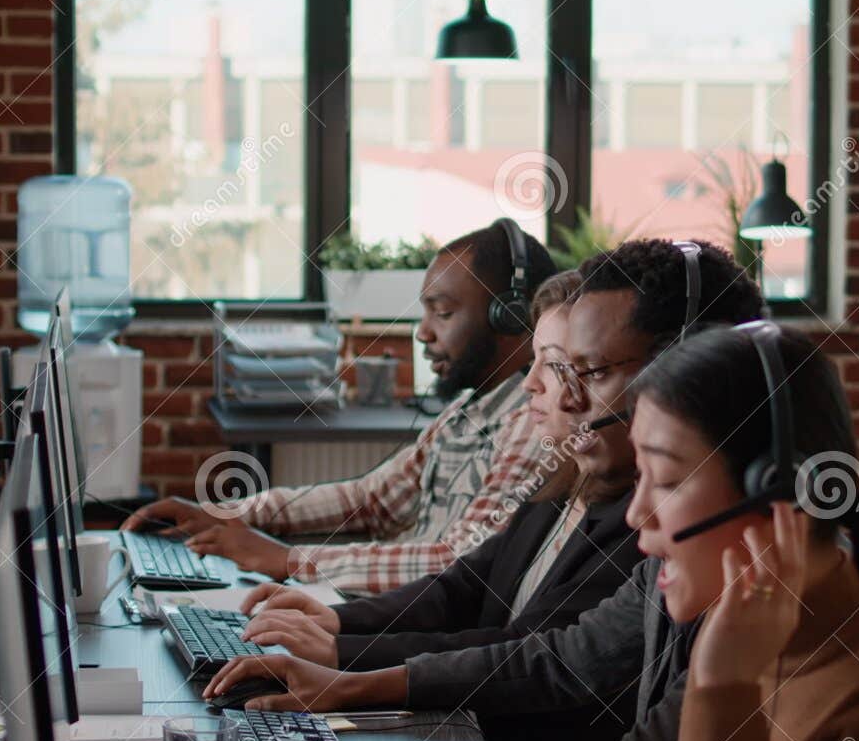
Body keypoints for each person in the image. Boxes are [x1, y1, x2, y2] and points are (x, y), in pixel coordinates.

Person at [203, 239, 766, 741]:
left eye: (584, 370)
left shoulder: (777, 650)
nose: (550, 390)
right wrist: (339, 663)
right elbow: (562, 656)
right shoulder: (690, 575)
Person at [236, 268, 645, 741]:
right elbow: (462, 585)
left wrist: (347, 663)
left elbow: (521, 648)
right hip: (463, 727)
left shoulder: (637, 523)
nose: (533, 384)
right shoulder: (560, 482)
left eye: (565, 367)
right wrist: (335, 623)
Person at [121, 220, 560, 594]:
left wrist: (289, 560)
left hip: (426, 638)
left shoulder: (532, 424)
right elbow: (368, 500)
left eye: (442, 313)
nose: (423, 333)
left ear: (512, 317)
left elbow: (456, 562)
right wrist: (224, 516)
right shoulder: (468, 411)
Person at [626, 321, 859, 741]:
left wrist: (724, 690)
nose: (635, 513)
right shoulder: (743, 630)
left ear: (781, 490)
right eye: (639, 474)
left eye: (665, 479)